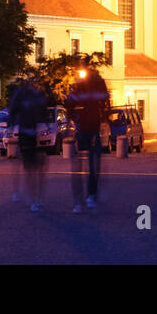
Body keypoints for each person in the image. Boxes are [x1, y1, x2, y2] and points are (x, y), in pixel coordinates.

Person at [65, 64, 111, 211]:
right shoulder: (86, 87)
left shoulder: (91, 86)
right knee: (88, 165)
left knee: (88, 165)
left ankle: (86, 198)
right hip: (86, 128)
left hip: (90, 128)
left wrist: (74, 118)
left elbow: (69, 103)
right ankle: (86, 198)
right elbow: (69, 104)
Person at [7, 76, 49, 211]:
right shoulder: (21, 94)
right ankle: (33, 199)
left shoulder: (37, 95)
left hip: (36, 132)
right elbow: (13, 110)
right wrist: (11, 126)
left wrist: (47, 125)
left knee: (40, 165)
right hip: (25, 132)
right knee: (29, 166)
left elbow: (44, 110)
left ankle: (37, 198)